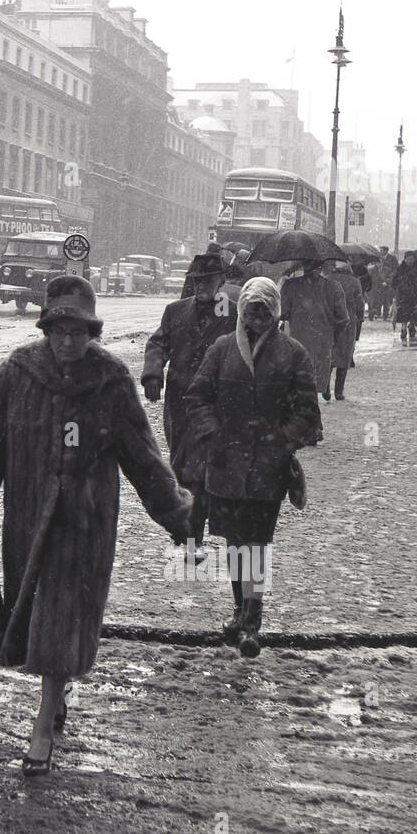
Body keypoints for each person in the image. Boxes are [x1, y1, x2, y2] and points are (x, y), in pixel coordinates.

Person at [0, 274, 193, 776]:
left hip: (85, 524)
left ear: (92, 332)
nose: (67, 341)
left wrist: (176, 516)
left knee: (63, 617)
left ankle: (42, 725)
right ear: (45, 328)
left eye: (78, 331)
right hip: (27, 521)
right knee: (37, 614)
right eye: (58, 330)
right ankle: (54, 694)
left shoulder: (110, 381)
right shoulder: (19, 372)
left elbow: (143, 458)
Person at [184, 277, 323, 658]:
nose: (257, 316)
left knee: (257, 543)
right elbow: (197, 395)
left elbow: (307, 411)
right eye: (251, 309)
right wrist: (214, 435)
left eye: (265, 309)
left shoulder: (293, 354)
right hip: (226, 465)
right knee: (234, 544)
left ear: (275, 312)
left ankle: (251, 621)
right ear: (242, 311)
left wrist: (279, 442)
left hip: (267, 469)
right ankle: (239, 610)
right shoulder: (222, 349)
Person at [141, 251, 237, 552]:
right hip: (179, 403)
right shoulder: (175, 311)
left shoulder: (232, 313)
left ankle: (192, 532)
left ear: (221, 280)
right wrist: (153, 373)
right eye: (195, 281)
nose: (200, 286)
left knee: (202, 470)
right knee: (181, 467)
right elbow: (158, 343)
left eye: (207, 280)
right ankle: (186, 520)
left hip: (214, 403)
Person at [280, 259, 348, 401]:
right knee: (316, 382)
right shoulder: (334, 287)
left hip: (298, 340)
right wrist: (334, 335)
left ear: (303, 266)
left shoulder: (291, 285)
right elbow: (343, 318)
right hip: (323, 342)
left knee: (299, 381)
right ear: (322, 266)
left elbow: (282, 313)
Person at [324, 260, 365, 400]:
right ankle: (338, 391)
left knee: (330, 353)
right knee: (344, 355)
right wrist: (359, 315)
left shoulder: (328, 279)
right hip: (347, 321)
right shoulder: (354, 281)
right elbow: (360, 302)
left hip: (330, 320)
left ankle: (325, 387)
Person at [391, 250, 417, 343]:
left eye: (411, 259)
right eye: (408, 259)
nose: (410, 261)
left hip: (415, 296)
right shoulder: (400, 269)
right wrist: (399, 287)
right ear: (405, 259)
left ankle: (411, 326)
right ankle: (403, 329)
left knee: (413, 313)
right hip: (403, 296)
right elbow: (394, 282)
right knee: (404, 313)